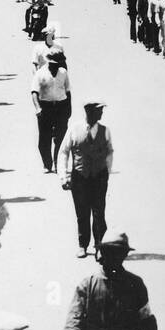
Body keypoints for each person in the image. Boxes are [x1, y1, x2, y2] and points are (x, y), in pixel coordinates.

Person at [58, 102, 114, 261]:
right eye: (99, 110)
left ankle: (99, 246)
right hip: (80, 178)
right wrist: (64, 176)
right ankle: (83, 245)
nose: (101, 113)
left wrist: (106, 171)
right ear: (89, 112)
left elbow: (110, 152)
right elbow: (63, 152)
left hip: (99, 177)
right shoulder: (74, 129)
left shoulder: (105, 131)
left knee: (99, 212)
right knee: (82, 213)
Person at [31, 47, 71, 174]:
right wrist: (38, 108)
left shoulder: (63, 72)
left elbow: (68, 91)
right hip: (45, 107)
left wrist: (69, 108)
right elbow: (34, 92)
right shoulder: (40, 73)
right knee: (44, 138)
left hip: (61, 106)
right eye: (52, 63)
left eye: (57, 63)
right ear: (48, 62)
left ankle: (57, 163)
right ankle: (47, 164)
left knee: (61, 137)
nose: (55, 65)